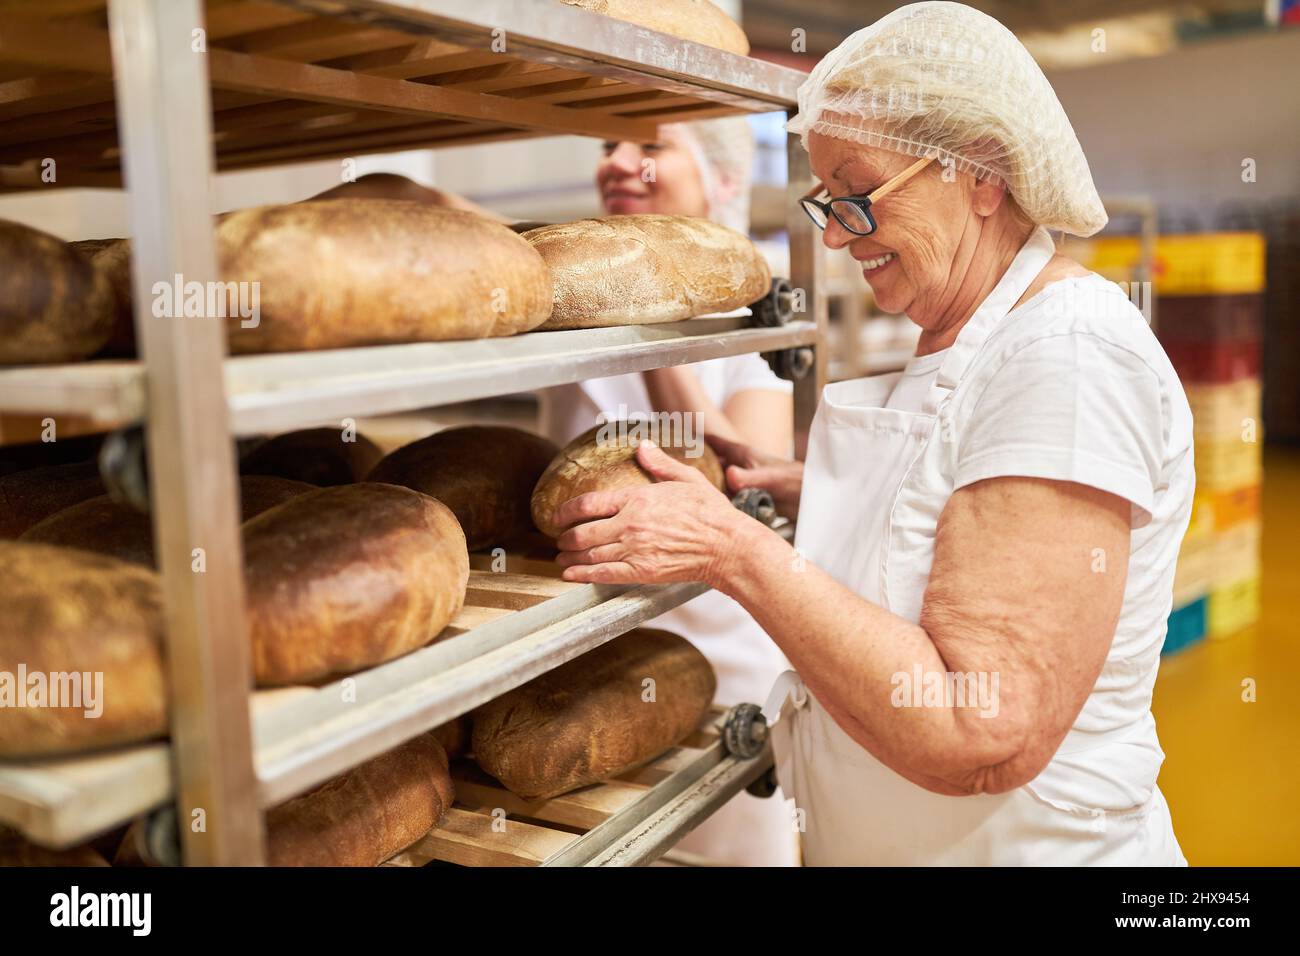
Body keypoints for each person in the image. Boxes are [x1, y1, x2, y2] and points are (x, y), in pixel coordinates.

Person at [544, 1, 1193, 865]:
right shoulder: (970, 333)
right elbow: (970, 521)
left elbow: (980, 726)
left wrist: (736, 552)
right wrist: (810, 491)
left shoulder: (1065, 359)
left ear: (982, 174)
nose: (842, 234)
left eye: (860, 194)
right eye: (827, 202)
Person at [538, 117, 798, 867]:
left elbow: (747, 481)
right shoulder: (568, 308)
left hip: (724, 669)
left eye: (649, 147)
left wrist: (658, 327)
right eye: (606, 146)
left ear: (719, 180)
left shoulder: (753, 318)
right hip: (590, 669)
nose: (617, 164)